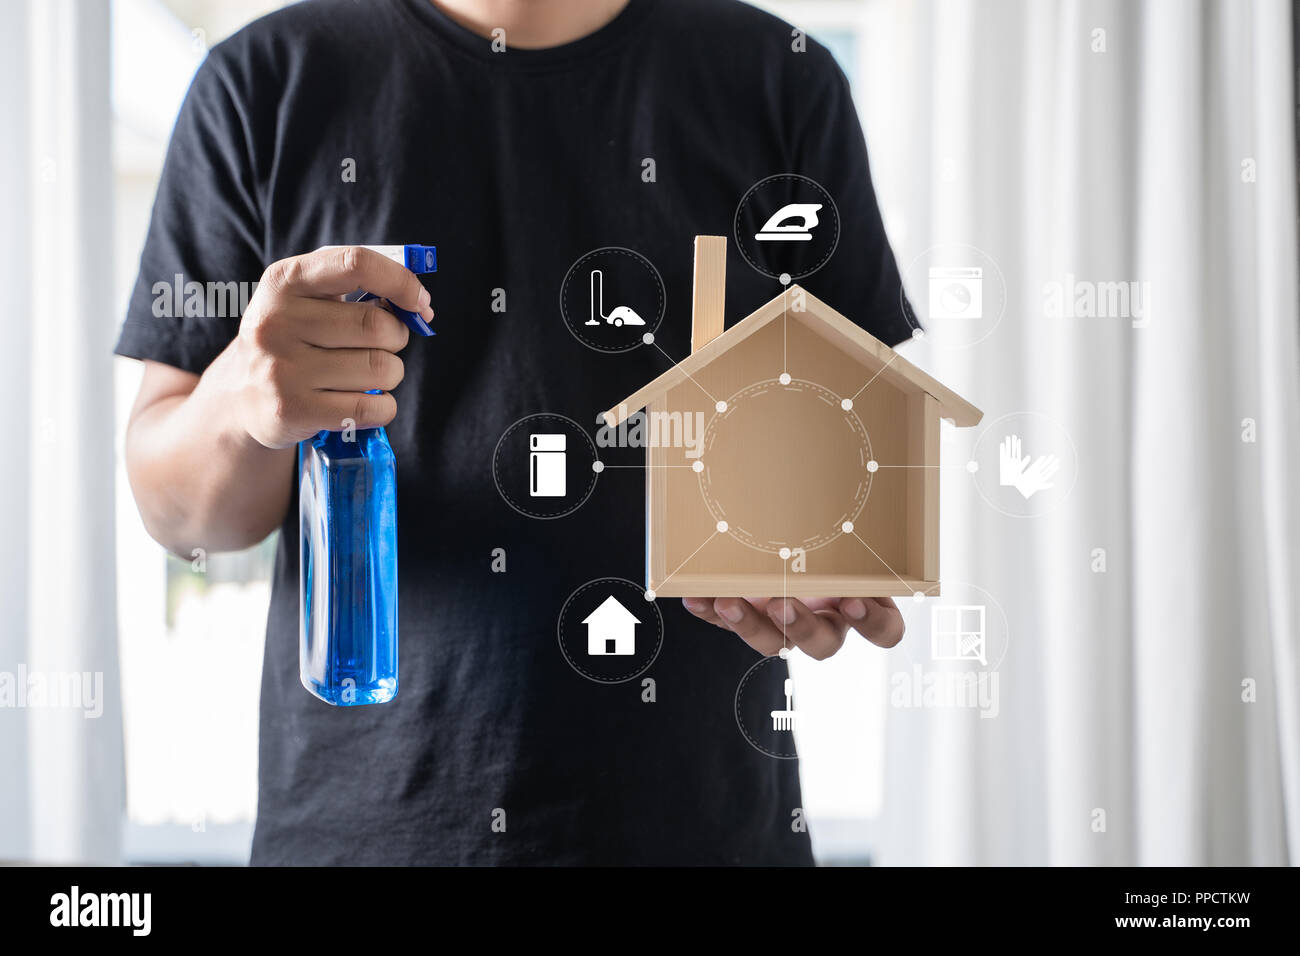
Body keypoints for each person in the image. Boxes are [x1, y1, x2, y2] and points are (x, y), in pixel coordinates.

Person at [117, 0, 908, 865]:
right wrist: (240, 402)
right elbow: (183, 517)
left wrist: (818, 561)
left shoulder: (781, 79)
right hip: (365, 829)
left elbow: (846, 448)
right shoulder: (260, 83)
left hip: (703, 826)